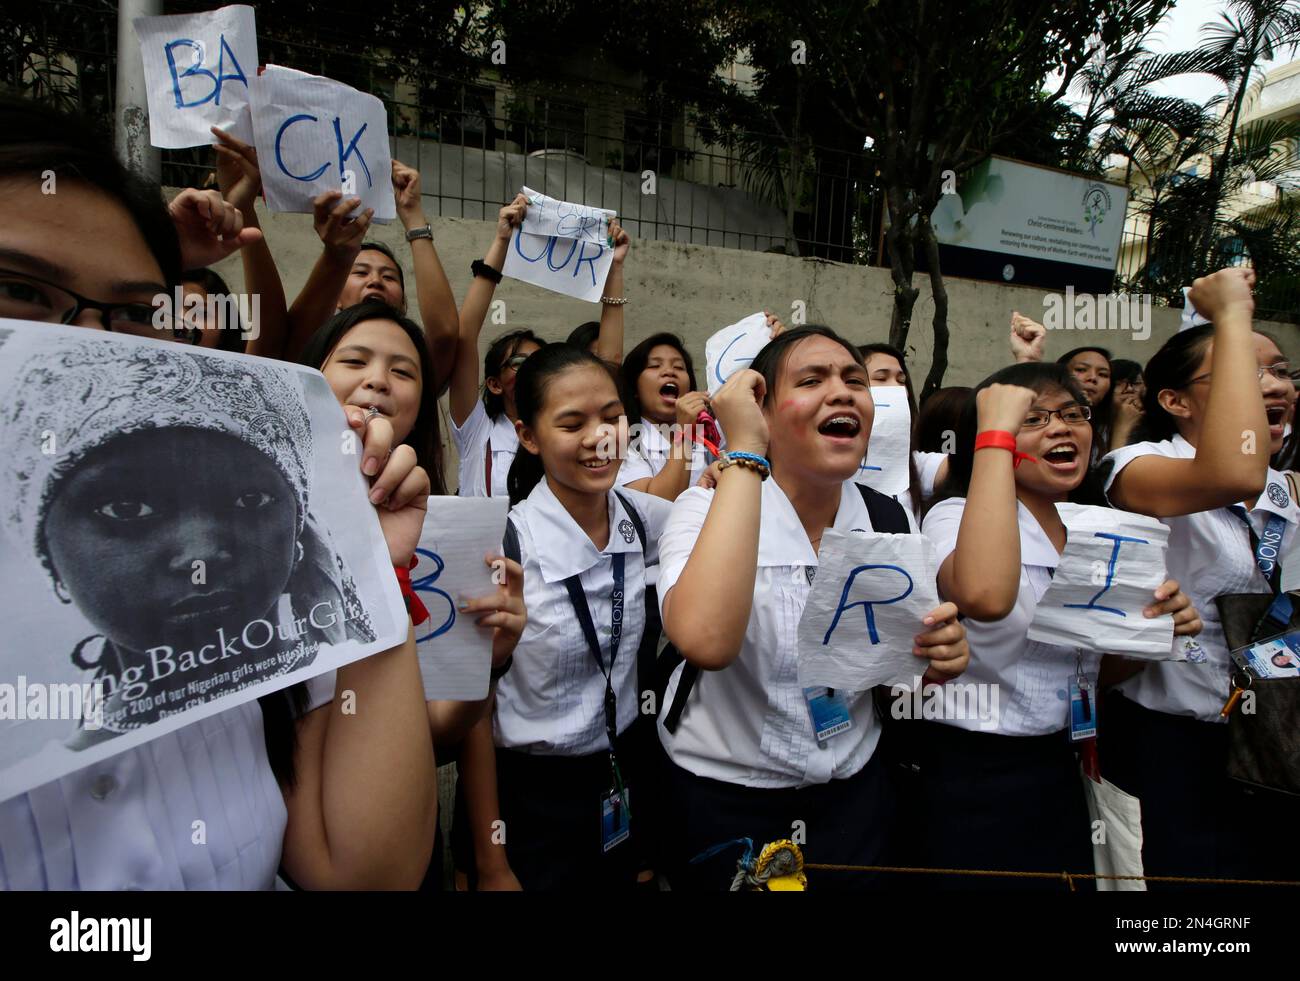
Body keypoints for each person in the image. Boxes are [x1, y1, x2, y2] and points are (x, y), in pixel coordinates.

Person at [0, 95, 438, 888]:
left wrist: (375, 575)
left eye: (134, 311)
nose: (83, 346)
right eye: (22, 291)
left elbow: (368, 872)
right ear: (46, 548)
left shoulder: (266, 658)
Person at [655, 326, 970, 891]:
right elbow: (705, 641)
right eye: (812, 380)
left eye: (854, 380)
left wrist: (934, 659)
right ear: (763, 412)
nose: (844, 392)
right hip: (725, 802)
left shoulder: (888, 520)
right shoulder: (704, 507)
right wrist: (744, 453)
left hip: (853, 797)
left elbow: (892, 679)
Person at [918, 363, 1199, 888]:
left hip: (1065, 762)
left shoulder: (1103, 528)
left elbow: (1103, 670)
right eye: (1034, 419)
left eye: (1074, 414)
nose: (1061, 428)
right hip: (969, 772)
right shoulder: (953, 515)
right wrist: (996, 438)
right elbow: (981, 595)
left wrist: (1158, 629)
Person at [1100, 266, 1299, 884]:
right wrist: (1231, 317)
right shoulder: (1137, 463)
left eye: (1279, 369)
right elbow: (1231, 472)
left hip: (1275, 727)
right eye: (1244, 366)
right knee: (1190, 905)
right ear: (1175, 401)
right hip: (1177, 737)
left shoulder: (1282, 488)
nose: (1269, 382)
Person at [456, 343, 671, 890]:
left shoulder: (646, 519)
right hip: (528, 799)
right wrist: (492, 864)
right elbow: (475, 718)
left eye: (614, 418)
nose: (601, 438)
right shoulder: (503, 546)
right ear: (529, 436)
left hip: (619, 774)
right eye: (572, 423)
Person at [448, 194, 629, 497]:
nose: (530, 367)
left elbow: (609, 361)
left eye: (538, 360)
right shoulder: (477, 431)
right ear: (493, 383)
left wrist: (615, 269)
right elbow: (464, 337)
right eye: (518, 362)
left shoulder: (566, 436)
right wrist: (501, 243)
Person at [274, 161, 458, 388]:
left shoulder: (415, 353)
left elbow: (445, 335)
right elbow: (292, 335)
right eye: (360, 273)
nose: (375, 281)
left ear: (403, 302)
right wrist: (337, 255)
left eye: (389, 277)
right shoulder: (313, 351)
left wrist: (413, 215)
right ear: (337, 298)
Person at [615, 332, 710, 501]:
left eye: (679, 367)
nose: (669, 372)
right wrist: (684, 432)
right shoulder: (623, 441)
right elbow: (659, 503)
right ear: (635, 388)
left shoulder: (707, 434)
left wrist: (763, 338)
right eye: (654, 366)